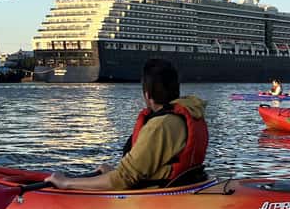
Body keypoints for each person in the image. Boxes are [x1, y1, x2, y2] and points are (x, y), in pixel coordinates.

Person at [52, 58, 208, 191]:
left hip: (158, 195)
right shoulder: (191, 114)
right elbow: (159, 168)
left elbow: (123, 179)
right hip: (184, 186)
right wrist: (112, 172)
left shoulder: (159, 126)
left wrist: (67, 182)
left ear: (147, 94)